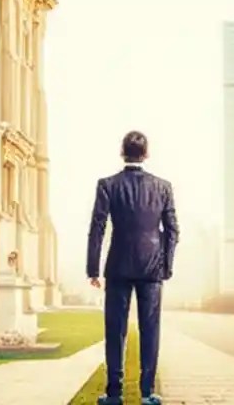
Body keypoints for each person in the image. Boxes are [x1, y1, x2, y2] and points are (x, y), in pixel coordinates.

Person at [86, 130, 179, 405]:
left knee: (115, 330)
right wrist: (166, 265)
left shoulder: (107, 184)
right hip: (152, 269)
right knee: (150, 329)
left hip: (118, 267)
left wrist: (93, 268)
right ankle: (148, 393)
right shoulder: (163, 187)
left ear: (121, 152)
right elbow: (173, 230)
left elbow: (97, 228)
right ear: (146, 154)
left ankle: (114, 394)